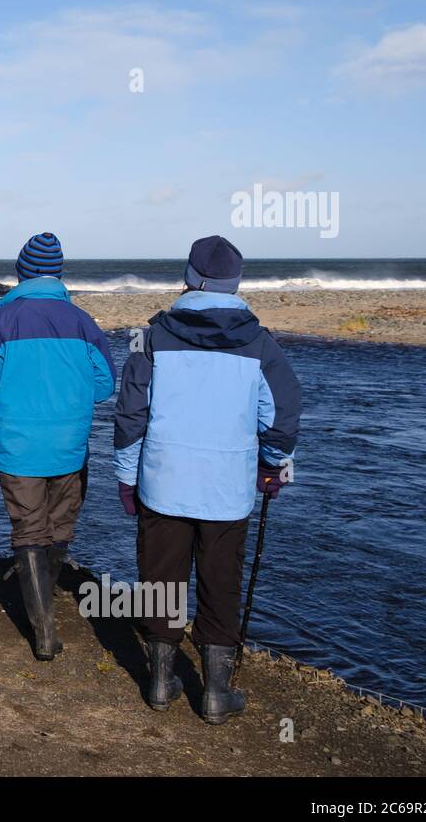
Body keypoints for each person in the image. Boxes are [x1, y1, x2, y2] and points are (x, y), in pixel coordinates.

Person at [113, 236, 301, 723]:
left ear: (190, 278)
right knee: (221, 584)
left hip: (163, 483)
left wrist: (128, 478)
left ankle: (158, 683)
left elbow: (131, 415)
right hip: (228, 490)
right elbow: (281, 417)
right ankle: (216, 695)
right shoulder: (261, 344)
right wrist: (270, 466)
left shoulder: (154, 338)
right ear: (235, 283)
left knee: (162, 581)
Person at [0, 232, 115, 660]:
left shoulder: (1, 320)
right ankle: (44, 609)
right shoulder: (83, 321)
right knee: (59, 528)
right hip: (71, 443)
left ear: (22, 272)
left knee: (29, 528)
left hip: (18, 443)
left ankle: (43, 631)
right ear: (59, 273)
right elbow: (104, 384)